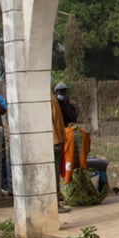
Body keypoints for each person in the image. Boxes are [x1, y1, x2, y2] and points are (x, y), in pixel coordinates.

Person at [51, 82, 77, 213]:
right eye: (61, 91)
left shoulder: (66, 104)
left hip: (64, 138)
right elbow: (53, 122)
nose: (63, 94)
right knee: (55, 172)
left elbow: (73, 117)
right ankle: (55, 201)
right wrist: (57, 141)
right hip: (57, 141)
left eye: (64, 91)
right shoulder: (51, 101)